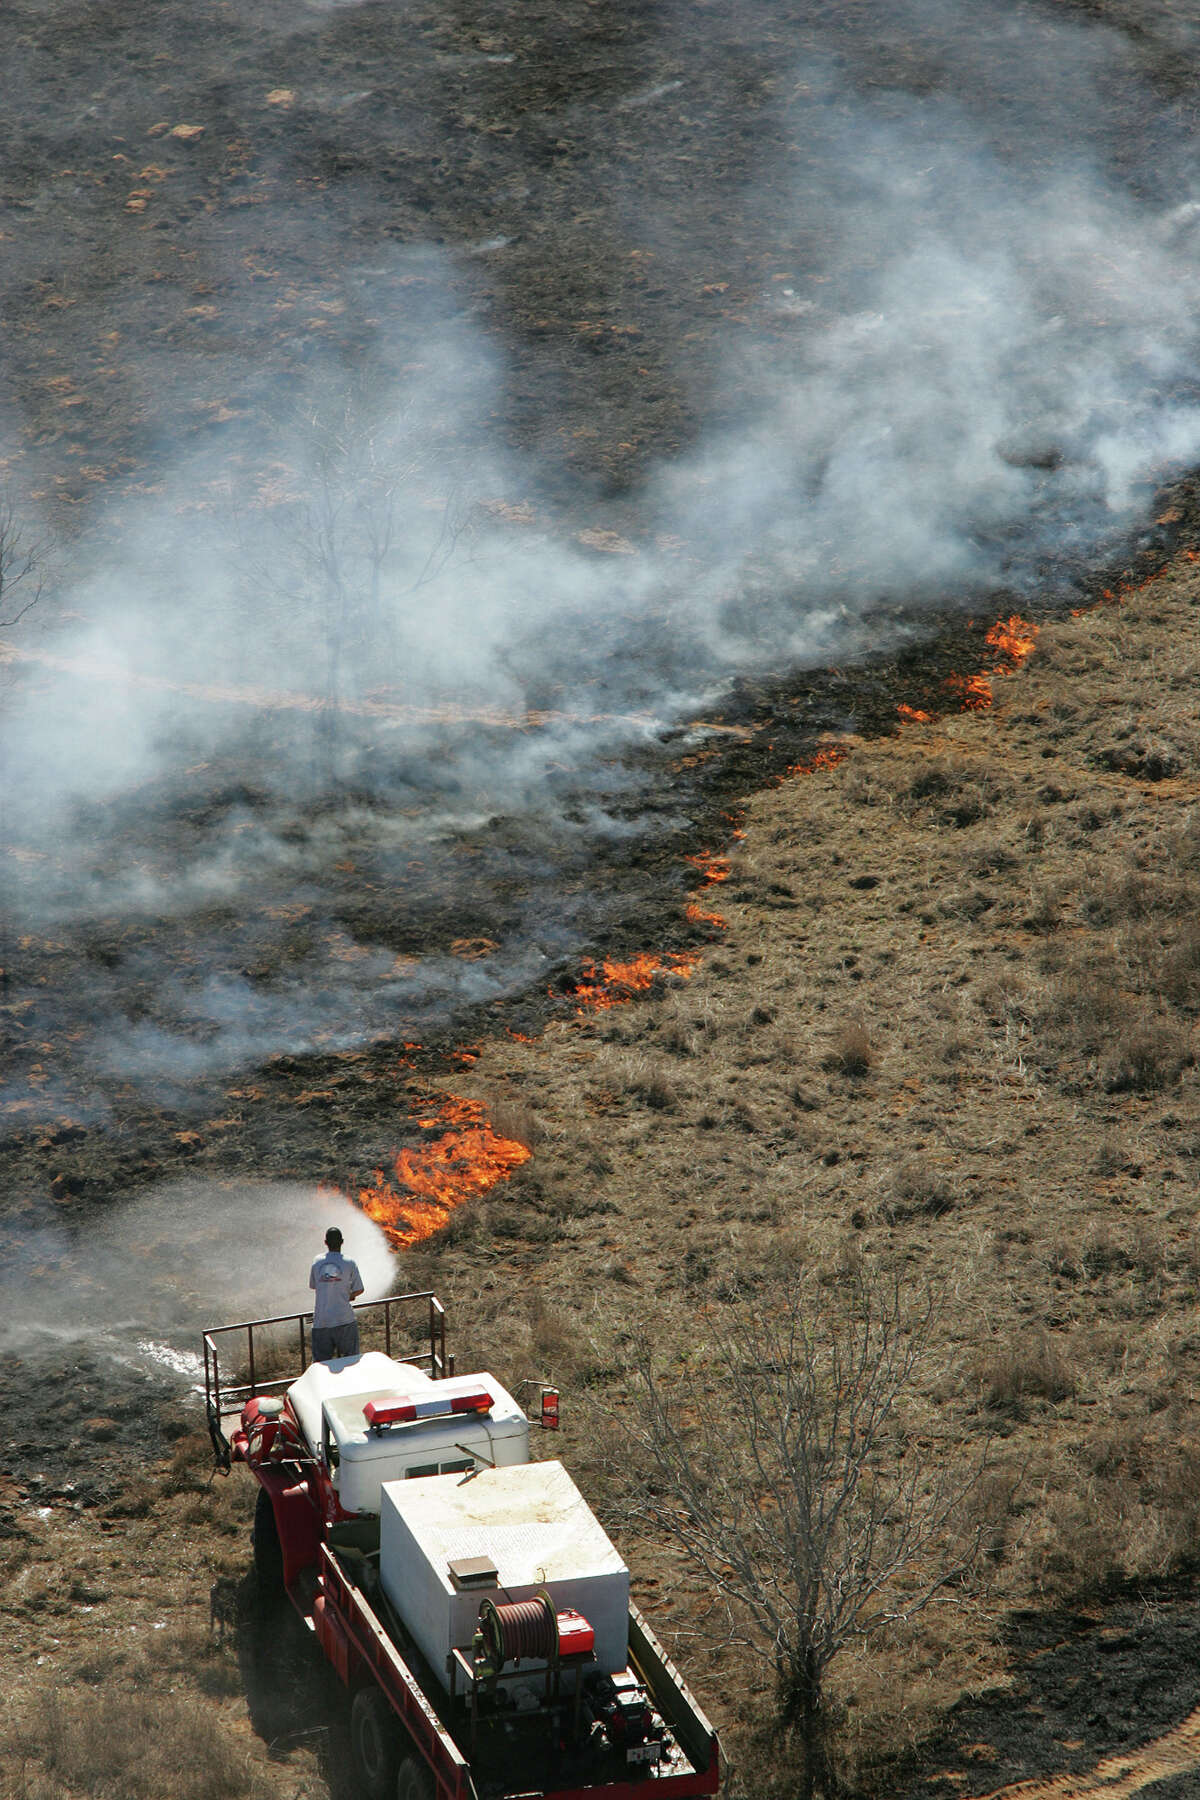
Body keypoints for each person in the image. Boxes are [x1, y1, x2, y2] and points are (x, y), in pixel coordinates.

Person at [309, 1226, 364, 1362]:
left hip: (321, 1322)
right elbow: (360, 1289)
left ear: (325, 1242)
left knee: (321, 1367)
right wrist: (349, 1296)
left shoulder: (317, 1262)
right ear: (342, 1242)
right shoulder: (349, 1262)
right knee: (351, 1362)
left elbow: (313, 1285)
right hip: (344, 1320)